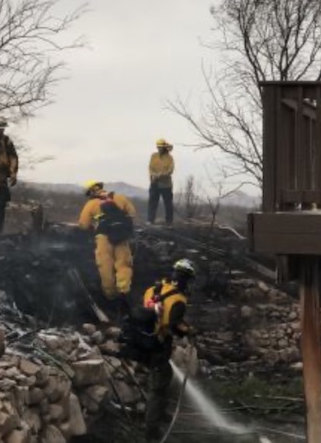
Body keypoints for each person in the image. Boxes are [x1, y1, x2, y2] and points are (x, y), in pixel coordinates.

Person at [142, 258, 196, 439]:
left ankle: (160, 413)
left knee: (164, 375)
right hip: (158, 344)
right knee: (157, 387)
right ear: (186, 280)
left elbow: (160, 311)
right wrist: (189, 331)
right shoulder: (179, 300)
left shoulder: (154, 290)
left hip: (143, 339)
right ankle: (151, 429)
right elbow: (174, 325)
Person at [77, 180, 137, 312]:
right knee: (123, 264)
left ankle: (111, 296)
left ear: (91, 192)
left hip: (103, 237)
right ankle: (124, 291)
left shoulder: (91, 203)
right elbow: (132, 212)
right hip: (121, 235)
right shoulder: (119, 197)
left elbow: (83, 225)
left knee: (105, 266)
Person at [148, 139, 175, 226]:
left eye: (161, 147)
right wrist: (153, 174)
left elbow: (170, 170)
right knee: (152, 203)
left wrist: (161, 174)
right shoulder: (154, 156)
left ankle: (169, 221)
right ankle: (150, 220)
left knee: (168, 204)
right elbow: (150, 167)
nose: (159, 148)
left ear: (164, 147)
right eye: (158, 147)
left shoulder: (169, 158)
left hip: (166, 184)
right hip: (154, 183)